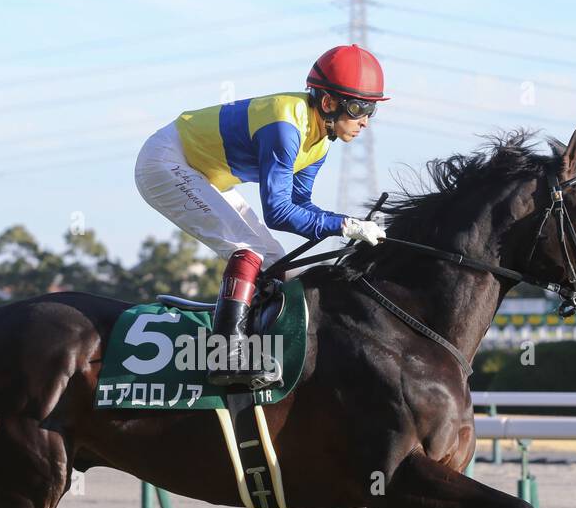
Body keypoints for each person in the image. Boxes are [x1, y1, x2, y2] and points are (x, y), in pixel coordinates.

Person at [134, 44, 389, 388]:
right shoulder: (286, 127)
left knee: (275, 261)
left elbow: (302, 206)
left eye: (371, 111)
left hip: (203, 171)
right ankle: (226, 355)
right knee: (247, 249)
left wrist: (347, 225)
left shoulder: (320, 141)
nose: (365, 122)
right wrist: (343, 225)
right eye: (359, 109)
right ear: (328, 103)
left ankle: (264, 342)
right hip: (166, 162)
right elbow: (279, 213)